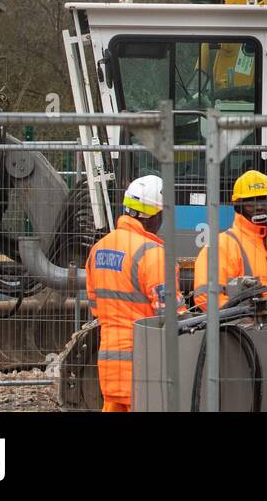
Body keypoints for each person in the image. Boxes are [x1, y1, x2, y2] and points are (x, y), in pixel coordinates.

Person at [84, 174, 180, 412]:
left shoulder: (99, 249)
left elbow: (95, 306)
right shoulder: (154, 254)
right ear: (155, 215)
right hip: (144, 368)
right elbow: (172, 317)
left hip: (109, 367)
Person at [191, 170, 267, 321]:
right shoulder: (222, 246)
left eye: (263, 199)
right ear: (238, 206)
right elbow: (205, 296)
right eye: (251, 202)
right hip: (246, 338)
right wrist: (244, 325)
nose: (259, 207)